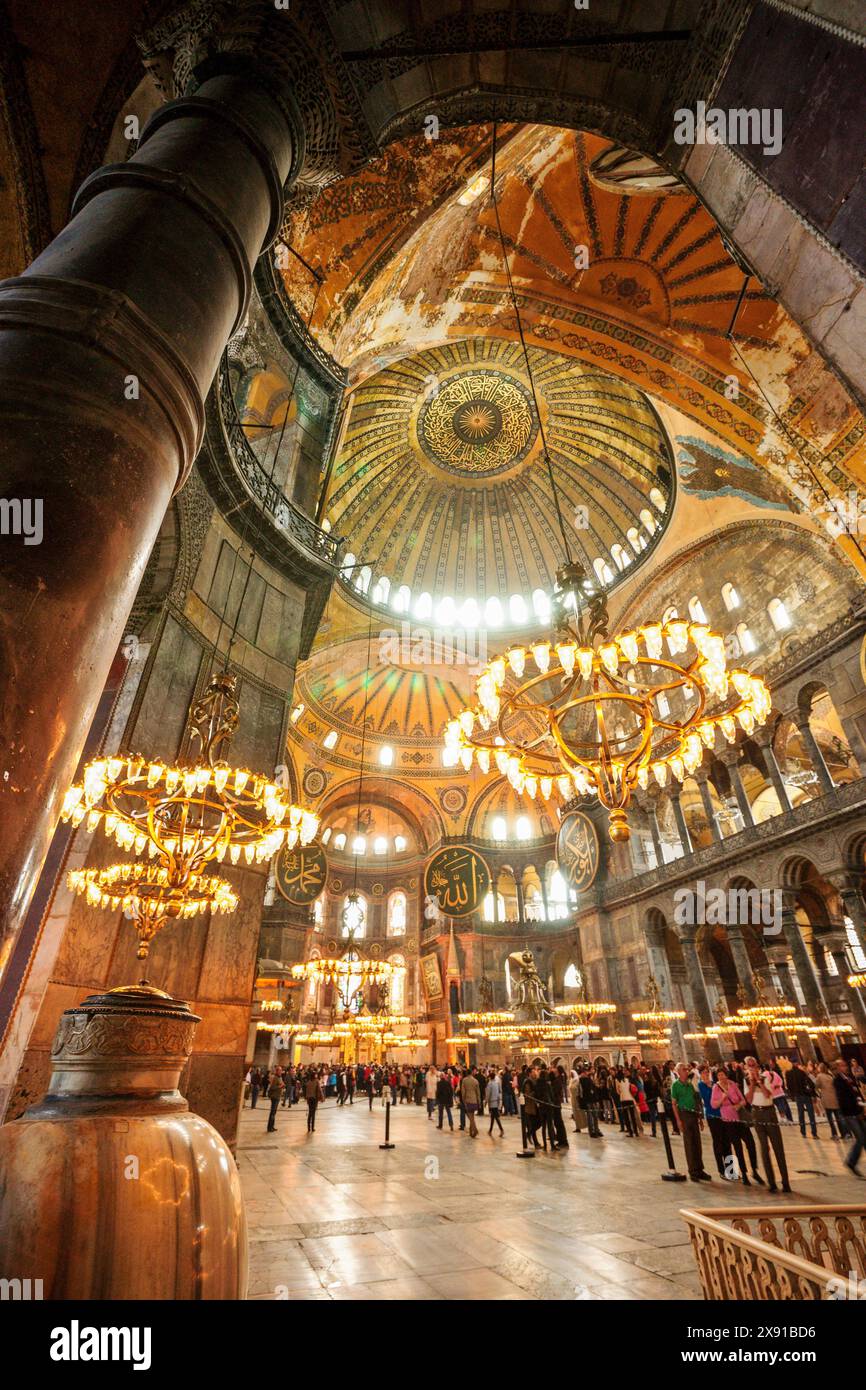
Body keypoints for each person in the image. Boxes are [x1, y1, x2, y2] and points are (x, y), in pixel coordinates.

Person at [744, 1056, 791, 1192]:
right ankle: (771, 1182)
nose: (752, 1069)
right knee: (764, 1148)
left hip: (769, 1112)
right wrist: (752, 1084)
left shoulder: (766, 1077)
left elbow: (767, 1095)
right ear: (746, 1067)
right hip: (756, 1113)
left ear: (758, 1067)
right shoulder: (746, 1080)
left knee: (778, 1146)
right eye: (749, 1066)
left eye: (754, 1066)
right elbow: (749, 1099)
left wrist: (759, 1081)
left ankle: (785, 1181)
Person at [711, 1066, 755, 1186]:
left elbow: (743, 1100)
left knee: (750, 1143)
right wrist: (722, 1099)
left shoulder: (733, 1084)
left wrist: (739, 1105)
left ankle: (754, 1169)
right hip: (728, 1120)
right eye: (719, 1075)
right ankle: (744, 1173)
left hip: (740, 1119)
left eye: (723, 1074)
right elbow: (713, 1105)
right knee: (737, 1146)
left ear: (726, 1074)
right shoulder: (716, 1087)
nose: (721, 1077)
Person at [671, 1061, 711, 1182]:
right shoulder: (675, 1085)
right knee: (689, 1143)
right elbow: (674, 1104)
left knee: (697, 1143)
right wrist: (678, 1121)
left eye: (686, 1069)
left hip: (693, 1114)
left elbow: (696, 1100)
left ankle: (700, 1169)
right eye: (683, 1069)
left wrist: (700, 1118)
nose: (686, 1071)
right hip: (684, 1114)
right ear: (678, 1072)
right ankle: (692, 1171)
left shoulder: (689, 1084)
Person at [833, 1059, 866, 1174]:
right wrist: (854, 1103)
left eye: (845, 1065)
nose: (845, 1067)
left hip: (857, 1111)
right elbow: (842, 1098)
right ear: (837, 1068)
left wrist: (860, 1102)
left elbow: (855, 1091)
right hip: (849, 1113)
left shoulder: (849, 1078)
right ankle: (851, 1162)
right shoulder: (838, 1080)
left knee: (865, 1136)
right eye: (842, 1066)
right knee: (860, 1138)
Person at [697, 1064, 729, 1178]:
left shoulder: (715, 1084)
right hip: (712, 1116)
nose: (706, 1074)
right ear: (700, 1074)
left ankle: (731, 1170)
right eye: (704, 1072)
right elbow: (708, 1098)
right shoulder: (701, 1085)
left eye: (707, 1071)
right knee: (718, 1142)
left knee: (727, 1142)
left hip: (723, 1114)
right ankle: (721, 1170)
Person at [786, 1060, 818, 1138]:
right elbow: (810, 1084)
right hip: (806, 1095)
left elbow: (789, 1085)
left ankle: (803, 1132)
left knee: (801, 1114)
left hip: (798, 1096)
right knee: (811, 1114)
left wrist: (792, 1095)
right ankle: (814, 1133)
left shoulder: (788, 1073)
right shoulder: (802, 1072)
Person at [815, 1061, 843, 1139]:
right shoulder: (830, 1075)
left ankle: (834, 1134)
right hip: (834, 1098)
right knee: (838, 1117)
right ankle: (843, 1133)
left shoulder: (819, 1076)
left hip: (826, 1099)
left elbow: (817, 1086)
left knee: (830, 1118)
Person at [522, 1066, 541, 1149]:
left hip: (534, 1105)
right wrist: (535, 1092)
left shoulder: (533, 1081)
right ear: (530, 1073)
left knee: (538, 1123)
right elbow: (527, 1095)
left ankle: (529, 1134)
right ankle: (535, 1142)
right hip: (530, 1106)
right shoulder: (528, 1082)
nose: (535, 1073)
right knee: (535, 1123)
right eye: (533, 1072)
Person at [461, 1068, 480, 1138]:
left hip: (468, 1100)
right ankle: (470, 1131)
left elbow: (463, 1092)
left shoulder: (464, 1080)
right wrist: (479, 1101)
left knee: (470, 1116)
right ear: (471, 1073)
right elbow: (478, 1093)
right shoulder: (475, 1081)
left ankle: (475, 1130)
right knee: (472, 1116)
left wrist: (463, 1100)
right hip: (474, 1101)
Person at [486, 1071, 504, 1136]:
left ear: (490, 1077)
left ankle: (501, 1130)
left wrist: (486, 1101)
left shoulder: (490, 1084)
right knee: (493, 1117)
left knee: (496, 1117)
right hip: (496, 1101)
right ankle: (490, 1130)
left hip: (492, 1102)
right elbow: (499, 1092)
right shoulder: (496, 1083)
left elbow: (488, 1093)